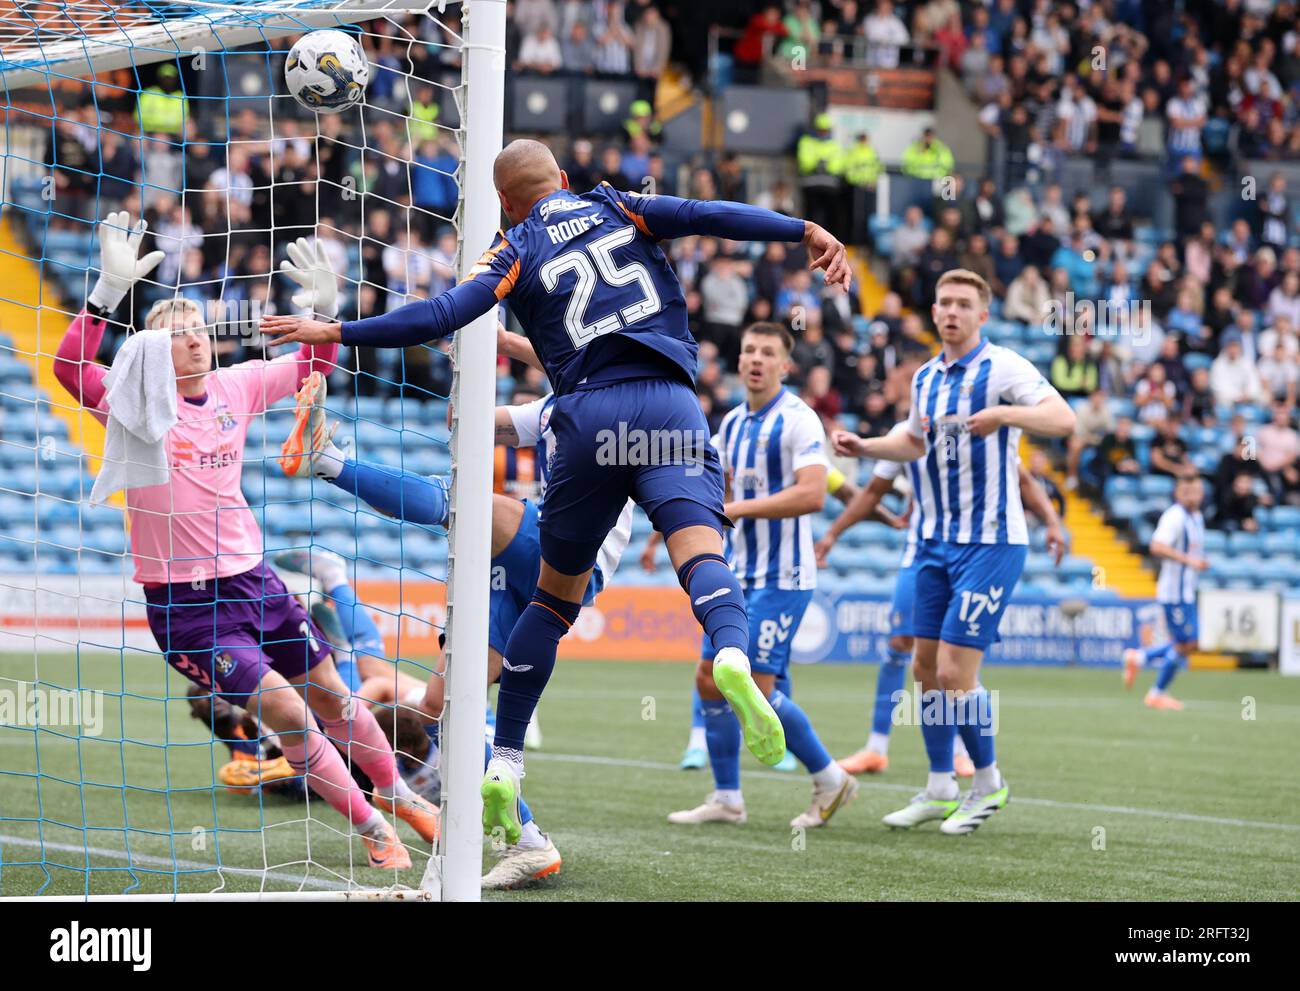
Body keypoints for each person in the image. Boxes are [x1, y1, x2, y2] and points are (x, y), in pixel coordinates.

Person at [262, 144, 851, 849]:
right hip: (667, 406)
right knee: (453, 701)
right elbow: (702, 213)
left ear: (507, 203)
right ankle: (721, 656)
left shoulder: (515, 250)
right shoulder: (616, 203)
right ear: (563, 180)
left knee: (503, 545)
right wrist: (799, 229)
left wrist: (337, 330)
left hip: (581, 434)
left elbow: (444, 313)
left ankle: (505, 760)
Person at [54, 213, 438, 870]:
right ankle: (375, 828)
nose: (196, 342)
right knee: (289, 709)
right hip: (185, 606)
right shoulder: (132, 408)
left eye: (199, 331)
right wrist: (106, 293)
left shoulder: (237, 384)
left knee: (333, 699)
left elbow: (314, 363)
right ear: (151, 354)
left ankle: (402, 794)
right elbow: (67, 367)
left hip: (255, 581)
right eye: (177, 337)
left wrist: (326, 308)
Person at [830, 269, 1075, 834]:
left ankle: (988, 783)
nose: (952, 312)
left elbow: (1063, 419)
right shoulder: (925, 379)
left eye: (964, 304)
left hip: (991, 542)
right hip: (934, 542)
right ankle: (940, 785)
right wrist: (865, 445)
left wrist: (1007, 415)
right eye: (944, 303)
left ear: (982, 315)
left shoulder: (1005, 368)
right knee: (923, 668)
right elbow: (913, 441)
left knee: (953, 672)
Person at [665, 323, 857, 828]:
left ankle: (831, 779)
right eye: (749, 350)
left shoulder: (799, 420)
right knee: (710, 679)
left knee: (756, 686)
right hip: (739, 576)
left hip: (785, 577)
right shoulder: (731, 424)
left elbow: (813, 493)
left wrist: (742, 507)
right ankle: (727, 798)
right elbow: (716, 488)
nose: (755, 359)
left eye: (768, 353)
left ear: (785, 365)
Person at [818, 424, 1066, 776]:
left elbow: (1023, 478)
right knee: (903, 643)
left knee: (957, 657)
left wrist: (1052, 520)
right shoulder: (904, 433)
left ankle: (962, 752)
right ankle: (877, 748)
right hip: (922, 552)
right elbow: (872, 491)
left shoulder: (976, 429)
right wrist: (832, 534)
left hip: (973, 553)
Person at [1122, 476, 1208, 710]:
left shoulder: (1196, 517)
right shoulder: (1175, 516)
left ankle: (1139, 658)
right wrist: (1189, 561)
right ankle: (1156, 692)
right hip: (1174, 594)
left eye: (1196, 490)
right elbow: (1157, 546)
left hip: (1186, 591)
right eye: (1187, 490)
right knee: (1187, 643)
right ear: (1178, 493)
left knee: (1188, 643)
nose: (1192, 494)